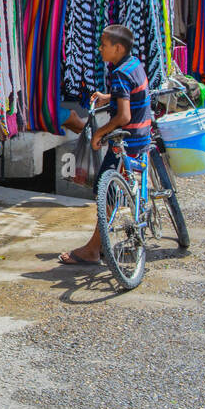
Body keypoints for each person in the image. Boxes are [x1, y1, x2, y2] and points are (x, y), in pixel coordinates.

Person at [58, 24, 153, 266]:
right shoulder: (134, 65)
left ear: (118, 48)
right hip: (143, 135)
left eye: (104, 45)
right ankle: (99, 244)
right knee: (115, 190)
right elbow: (133, 94)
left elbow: (123, 117)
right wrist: (108, 97)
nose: (100, 49)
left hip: (127, 139)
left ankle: (93, 249)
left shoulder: (119, 73)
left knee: (105, 190)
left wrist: (98, 134)